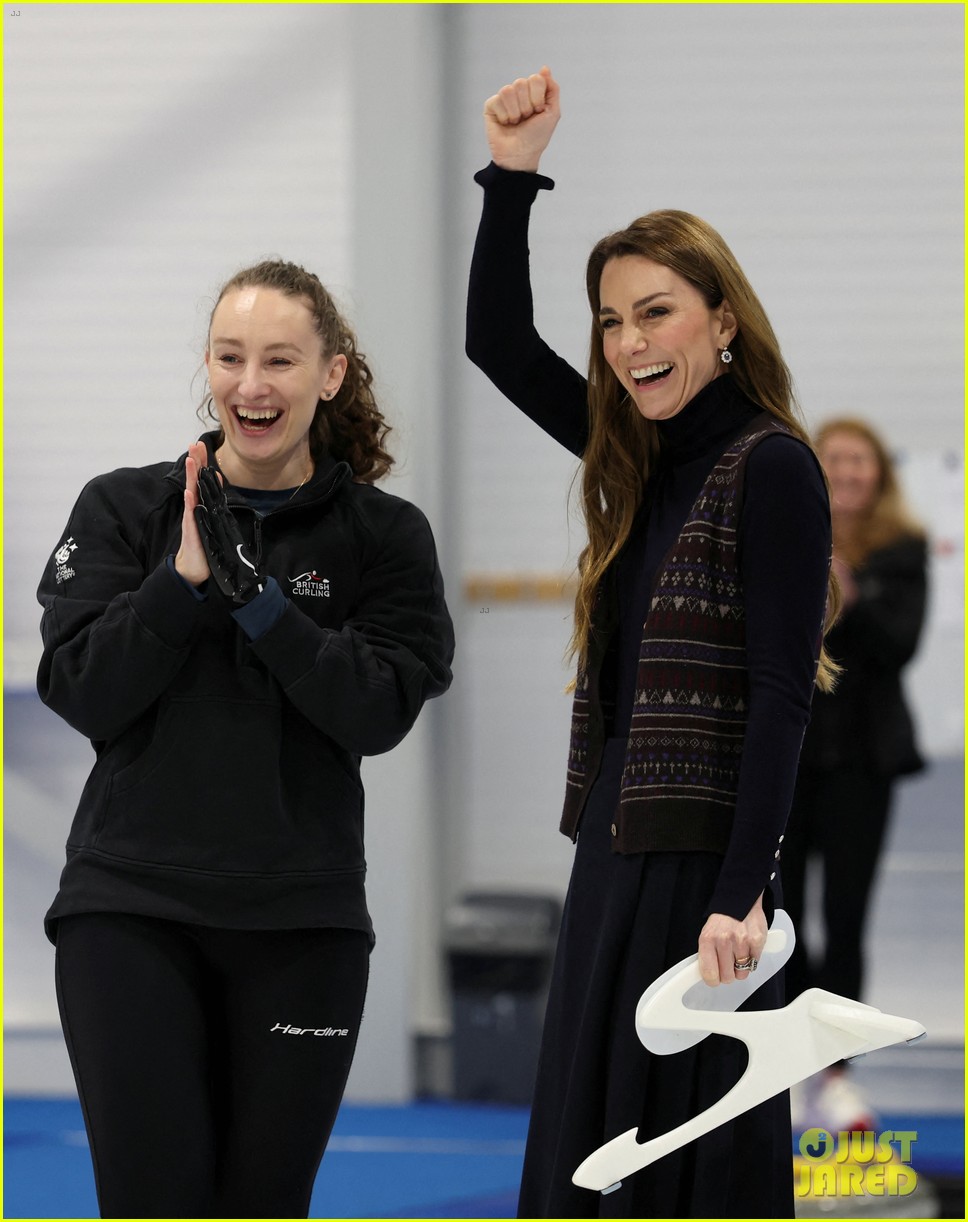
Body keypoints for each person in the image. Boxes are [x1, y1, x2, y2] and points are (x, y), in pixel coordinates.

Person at [466, 68, 836, 1218]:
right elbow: (494, 342)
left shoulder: (769, 464)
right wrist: (510, 174)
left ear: (721, 321)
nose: (628, 343)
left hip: (700, 873)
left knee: (687, 1158)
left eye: (656, 311)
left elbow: (780, 693)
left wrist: (746, 893)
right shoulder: (637, 456)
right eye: (612, 321)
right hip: (616, 843)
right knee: (592, 1148)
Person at [37, 259, 455, 1219]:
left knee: (263, 1206)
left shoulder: (385, 536)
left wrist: (259, 603)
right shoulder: (124, 509)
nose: (251, 385)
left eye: (279, 360)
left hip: (301, 928)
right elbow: (81, 688)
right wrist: (181, 584)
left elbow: (377, 711)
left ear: (330, 374)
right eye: (230, 358)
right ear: (209, 369)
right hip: (129, 914)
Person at [782, 417, 927, 1131]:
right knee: (783, 919)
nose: (845, 472)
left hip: (862, 761)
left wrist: (853, 590)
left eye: (859, 461)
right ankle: (794, 1059)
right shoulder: (786, 537)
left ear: (879, 473)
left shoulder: (901, 550)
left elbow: (900, 646)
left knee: (846, 918)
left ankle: (835, 1073)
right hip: (790, 755)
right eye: (833, 459)